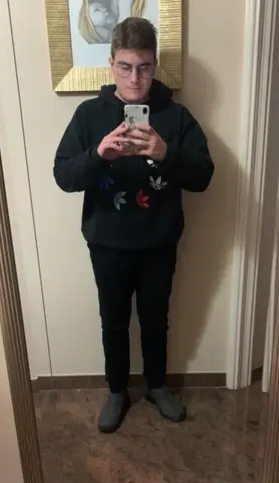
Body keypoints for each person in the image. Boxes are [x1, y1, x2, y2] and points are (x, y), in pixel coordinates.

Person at [54, 17, 214, 433]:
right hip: (106, 242)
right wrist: (98, 155)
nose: (135, 78)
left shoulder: (176, 117)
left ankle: (157, 386)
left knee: (156, 319)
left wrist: (166, 153)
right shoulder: (89, 115)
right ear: (111, 64)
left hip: (159, 241)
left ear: (155, 64)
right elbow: (63, 175)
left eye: (143, 67)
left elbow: (203, 177)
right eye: (125, 67)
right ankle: (116, 390)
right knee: (113, 321)